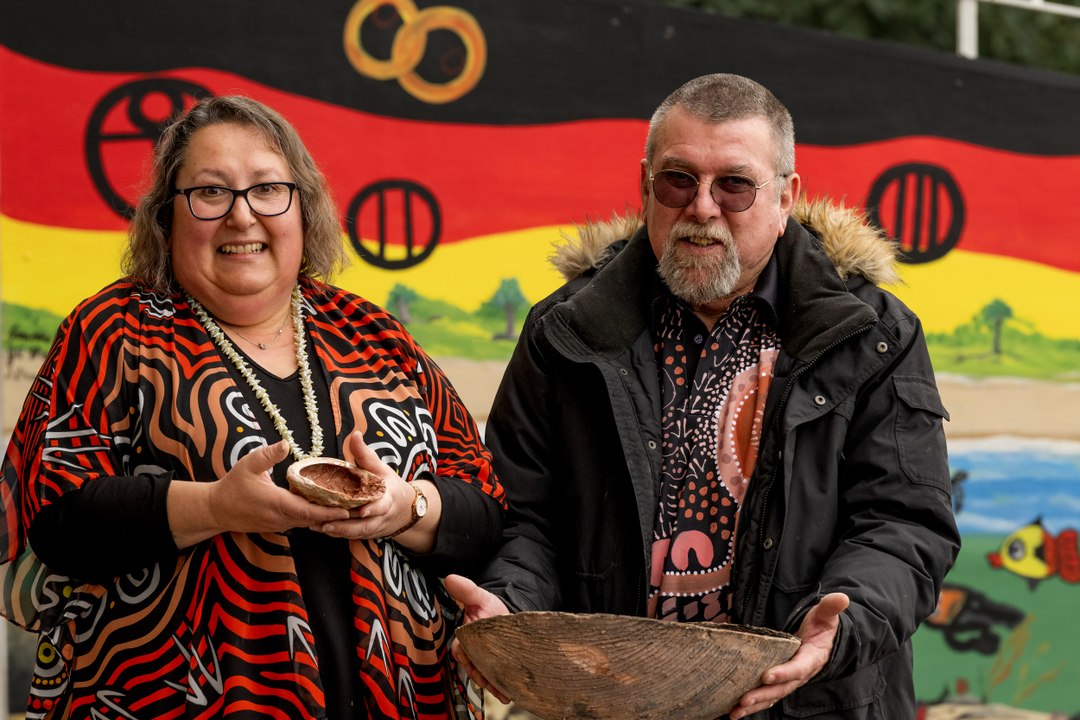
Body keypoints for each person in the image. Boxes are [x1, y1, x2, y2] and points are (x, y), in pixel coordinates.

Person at [446, 73, 960, 718]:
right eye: (678, 180)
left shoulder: (875, 335)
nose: (702, 207)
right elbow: (524, 515)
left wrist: (842, 627)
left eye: (735, 185)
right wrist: (510, 607)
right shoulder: (567, 332)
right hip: (612, 701)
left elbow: (904, 523)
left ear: (785, 198)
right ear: (645, 186)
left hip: (812, 701)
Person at [0, 95, 504, 719]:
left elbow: (483, 508)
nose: (243, 217)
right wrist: (215, 506)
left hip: (406, 699)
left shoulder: (373, 335)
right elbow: (55, 520)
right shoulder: (113, 331)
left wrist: (405, 508)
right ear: (167, 218)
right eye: (211, 193)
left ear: (302, 208)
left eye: (268, 189)